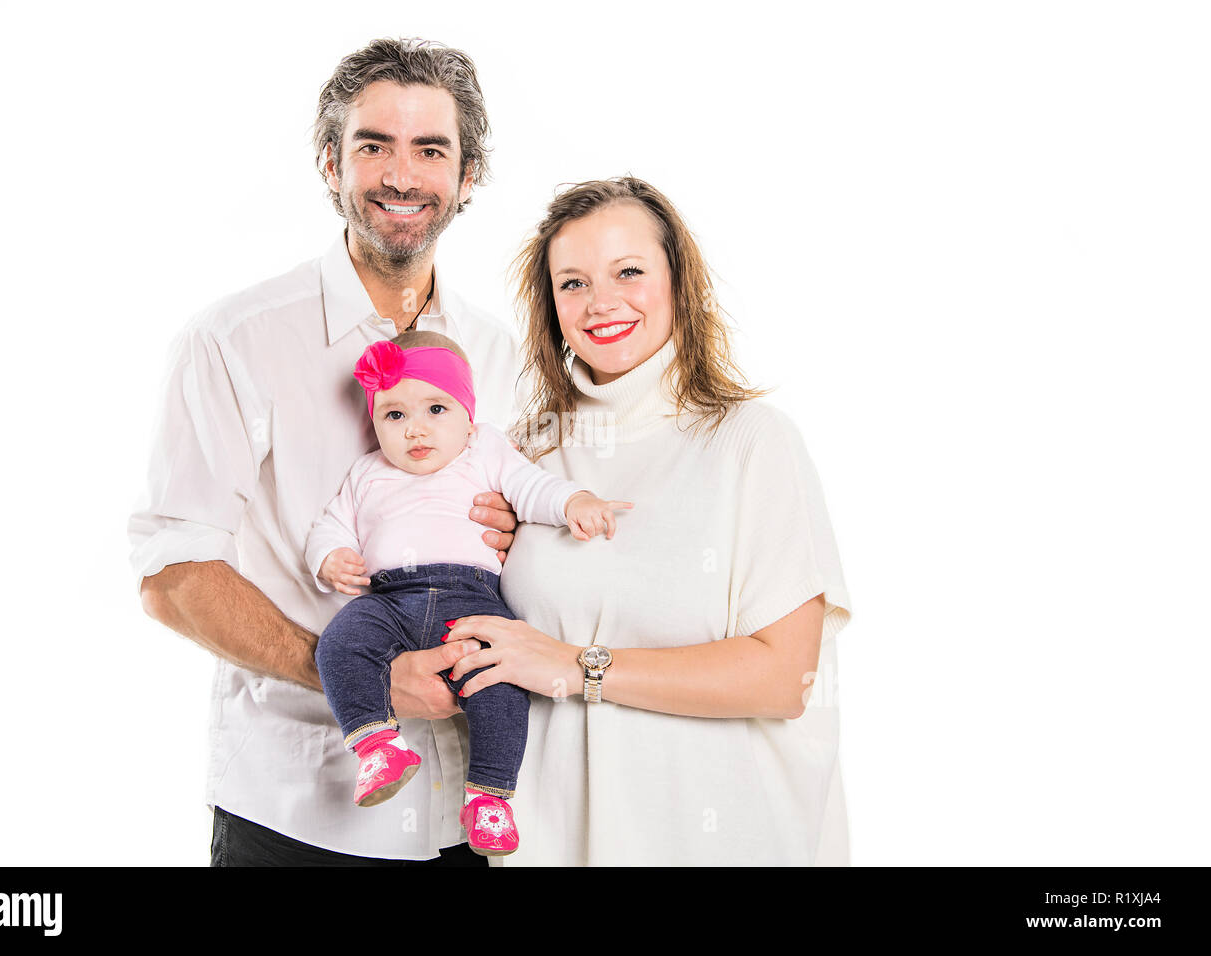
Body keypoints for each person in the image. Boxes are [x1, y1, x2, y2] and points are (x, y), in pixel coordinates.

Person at [128, 38, 523, 866]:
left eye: (431, 149)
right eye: (373, 144)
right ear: (329, 161)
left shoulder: (505, 354)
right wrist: (356, 677)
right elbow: (173, 574)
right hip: (293, 817)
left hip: (470, 821)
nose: (401, 175)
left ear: (468, 174)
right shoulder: (234, 343)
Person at [441, 177, 855, 866]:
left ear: (678, 281)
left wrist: (578, 667)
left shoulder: (751, 442)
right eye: (572, 283)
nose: (601, 302)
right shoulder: (523, 456)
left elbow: (786, 680)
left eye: (628, 271)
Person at [307, 332, 631, 855]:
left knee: (499, 684)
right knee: (338, 644)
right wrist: (328, 559)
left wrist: (573, 501)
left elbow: (531, 486)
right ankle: (376, 745)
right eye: (393, 415)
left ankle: (490, 798)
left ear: (468, 415)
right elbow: (329, 526)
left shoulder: (485, 450)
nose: (415, 429)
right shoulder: (366, 472)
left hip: (470, 600)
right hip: (388, 599)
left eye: (436, 408)